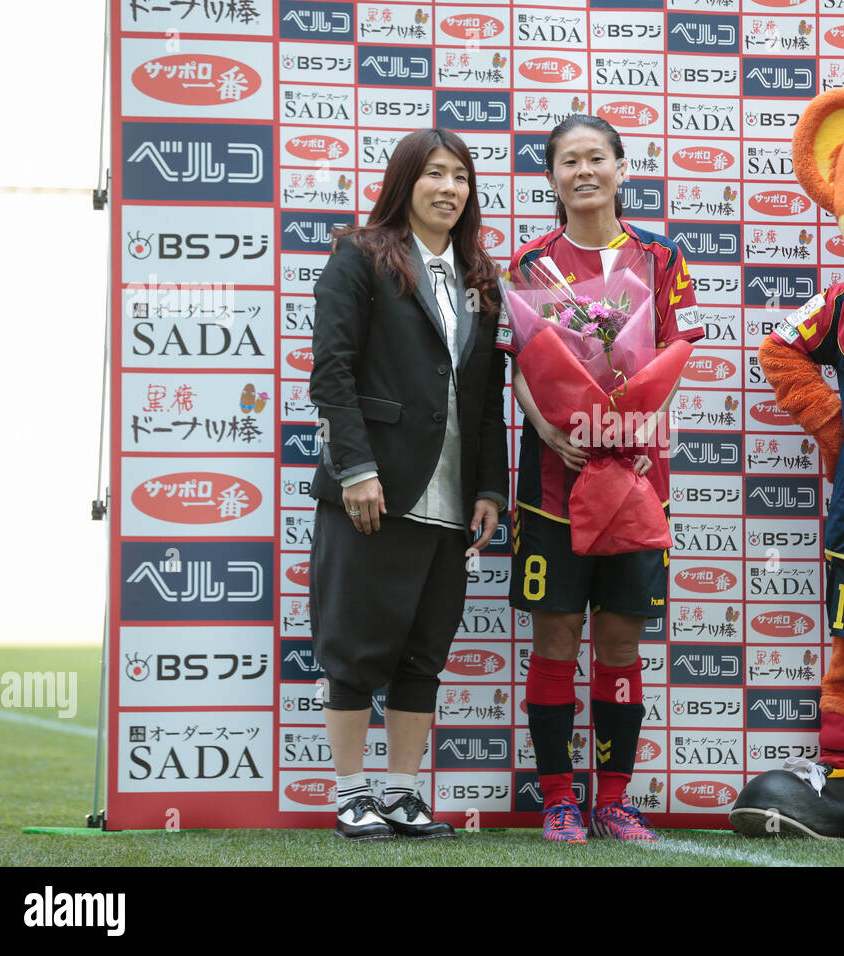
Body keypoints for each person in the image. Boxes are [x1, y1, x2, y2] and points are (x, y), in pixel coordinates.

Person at [499, 115, 703, 842]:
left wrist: (632, 425)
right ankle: (558, 799)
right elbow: (517, 364)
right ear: (551, 177)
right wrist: (553, 428)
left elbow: (675, 354)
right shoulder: (528, 262)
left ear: (621, 168)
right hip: (554, 484)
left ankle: (612, 798)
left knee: (620, 643)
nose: (583, 172)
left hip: (638, 481)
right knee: (555, 638)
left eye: (596, 159)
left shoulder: (662, 258)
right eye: (567, 162)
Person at [309, 128, 508, 840]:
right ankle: (351, 793)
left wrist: (490, 490)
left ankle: (401, 794)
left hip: (451, 496)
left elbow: (488, 398)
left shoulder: (482, 277)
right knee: (356, 647)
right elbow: (331, 371)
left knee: (425, 649)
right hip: (376, 488)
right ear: (405, 183)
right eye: (434, 174)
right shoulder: (359, 257)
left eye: (460, 176)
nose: (449, 188)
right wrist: (355, 468)